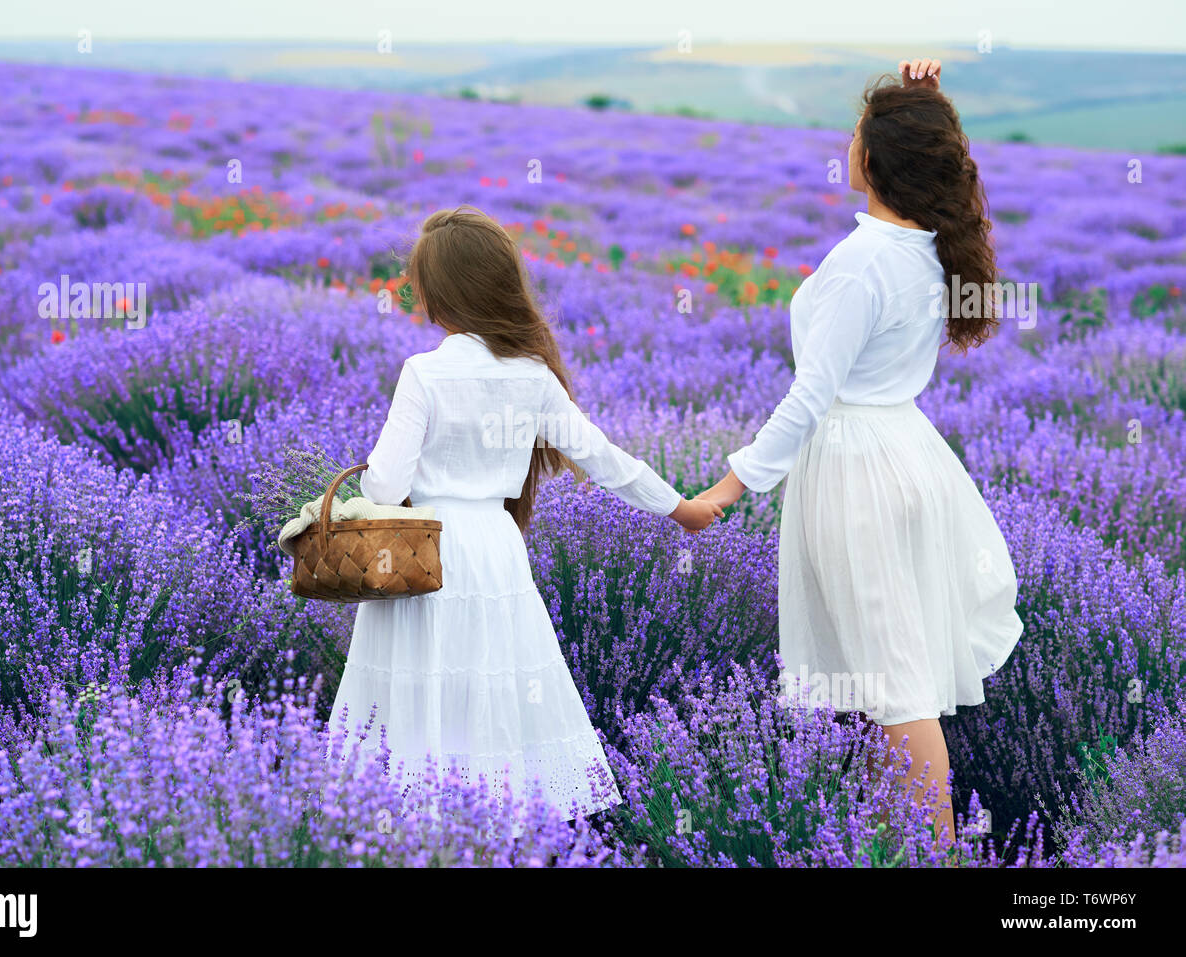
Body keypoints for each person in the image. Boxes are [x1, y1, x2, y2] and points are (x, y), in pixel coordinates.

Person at [699, 58, 1023, 843]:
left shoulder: (859, 265)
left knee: (895, 689)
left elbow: (810, 397)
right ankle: (895, 851)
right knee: (887, 686)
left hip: (855, 472)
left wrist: (727, 488)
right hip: (907, 453)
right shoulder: (922, 247)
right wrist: (929, 101)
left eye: (854, 135)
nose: (846, 146)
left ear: (873, 160)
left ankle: (934, 856)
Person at [329, 205, 723, 823]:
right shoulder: (532, 374)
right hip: (494, 548)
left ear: (438, 292)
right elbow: (602, 457)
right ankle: (492, 830)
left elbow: (383, 482)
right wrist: (681, 508)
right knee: (493, 689)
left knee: (419, 687)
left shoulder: (424, 373)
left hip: (424, 550)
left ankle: (412, 831)